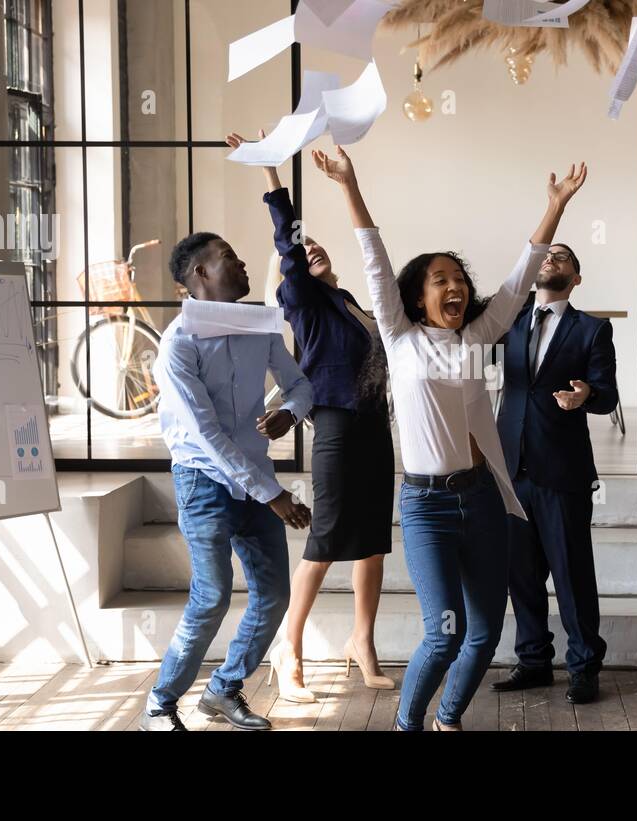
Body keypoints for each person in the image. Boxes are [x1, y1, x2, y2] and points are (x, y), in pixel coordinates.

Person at [315, 142, 587, 730]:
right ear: (418, 296)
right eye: (440, 280)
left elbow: (517, 284)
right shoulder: (399, 335)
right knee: (445, 633)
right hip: (427, 506)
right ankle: (408, 724)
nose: (453, 286)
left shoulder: (476, 336)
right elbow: (374, 260)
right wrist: (348, 185)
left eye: (459, 279)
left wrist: (555, 206)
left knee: (486, 634)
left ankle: (448, 719)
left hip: (482, 498)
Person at [226, 132, 396, 704]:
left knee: (374, 540)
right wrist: (273, 175)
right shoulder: (305, 303)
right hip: (338, 429)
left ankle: (361, 643)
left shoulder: (351, 303)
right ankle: (289, 649)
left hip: (376, 428)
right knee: (325, 540)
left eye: (321, 246)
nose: (314, 250)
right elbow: (290, 246)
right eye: (305, 249)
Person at [139, 231, 314, 731]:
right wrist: (275, 495)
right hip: (203, 481)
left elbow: (300, 384)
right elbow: (208, 436)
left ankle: (222, 691)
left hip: (257, 477)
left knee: (274, 593)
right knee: (212, 595)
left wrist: (289, 411)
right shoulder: (177, 343)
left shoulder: (258, 326)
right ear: (199, 275)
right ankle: (160, 704)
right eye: (229, 259)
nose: (240, 265)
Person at [489, 242, 618, 705]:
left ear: (576, 278)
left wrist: (586, 395)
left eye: (563, 257)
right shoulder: (509, 321)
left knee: (571, 574)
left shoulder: (592, 329)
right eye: (549, 255)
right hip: (510, 468)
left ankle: (584, 665)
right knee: (519, 575)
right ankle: (534, 661)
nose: (552, 260)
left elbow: (608, 394)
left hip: (562, 470)